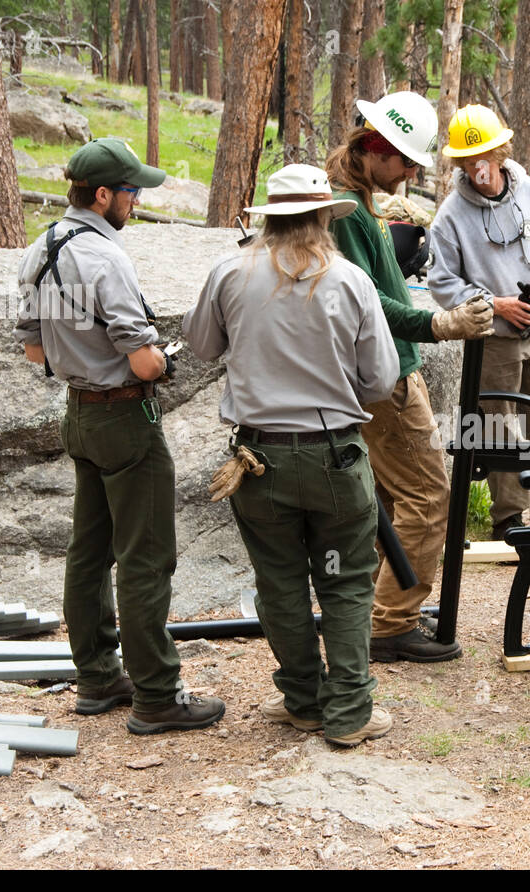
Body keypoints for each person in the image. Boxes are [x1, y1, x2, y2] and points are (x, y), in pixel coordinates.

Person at [183, 164, 400, 747]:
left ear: (269, 219)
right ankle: (349, 711)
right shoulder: (350, 280)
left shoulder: (231, 272)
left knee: (279, 579)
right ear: (325, 219)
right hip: (334, 457)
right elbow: (380, 379)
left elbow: (202, 346)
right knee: (346, 581)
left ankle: (303, 700)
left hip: (260, 461)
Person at [15, 136, 224, 735]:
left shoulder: (40, 249)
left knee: (88, 552)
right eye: (131, 192)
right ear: (103, 194)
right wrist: (163, 358)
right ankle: (157, 693)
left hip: (77, 416)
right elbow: (144, 362)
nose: (135, 202)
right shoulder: (106, 258)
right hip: (126, 420)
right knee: (146, 556)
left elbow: (33, 349)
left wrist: (80, 354)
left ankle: (98, 677)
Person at [326, 90, 494, 663]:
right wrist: (440, 322)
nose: (414, 173)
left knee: (397, 497)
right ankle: (393, 622)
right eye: (407, 162)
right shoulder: (345, 209)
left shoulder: (357, 200)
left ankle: (383, 605)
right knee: (428, 495)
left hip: (385, 370)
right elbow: (364, 300)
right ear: (375, 146)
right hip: (386, 379)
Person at [427, 103, 530, 539]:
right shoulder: (450, 217)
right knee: (501, 427)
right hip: (494, 340)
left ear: (502, 152)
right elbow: (442, 283)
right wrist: (494, 304)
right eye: (470, 161)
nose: (480, 168)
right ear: (459, 163)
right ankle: (509, 518)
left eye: (486, 157)